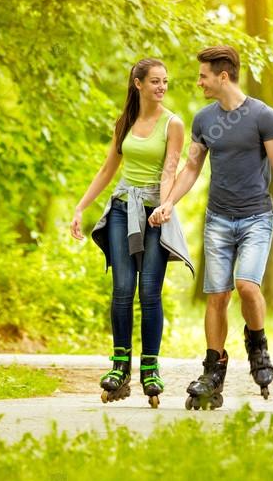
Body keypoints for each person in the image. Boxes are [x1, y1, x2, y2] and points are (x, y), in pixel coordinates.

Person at [150, 45, 273, 410]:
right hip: (218, 219)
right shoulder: (203, 120)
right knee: (217, 296)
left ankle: (257, 346)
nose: (199, 82)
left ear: (223, 76)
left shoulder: (264, 117)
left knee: (247, 286)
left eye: (203, 76)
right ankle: (213, 370)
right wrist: (168, 202)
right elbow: (192, 168)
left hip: (257, 218)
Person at [70, 58, 194, 408]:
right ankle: (120, 366)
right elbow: (109, 168)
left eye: (165, 81)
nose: (161, 87)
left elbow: (170, 168)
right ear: (138, 83)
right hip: (123, 210)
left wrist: (166, 204)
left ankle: (150, 369)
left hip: (155, 214)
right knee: (123, 288)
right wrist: (81, 207)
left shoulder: (173, 123)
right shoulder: (124, 123)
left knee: (150, 291)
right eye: (155, 81)